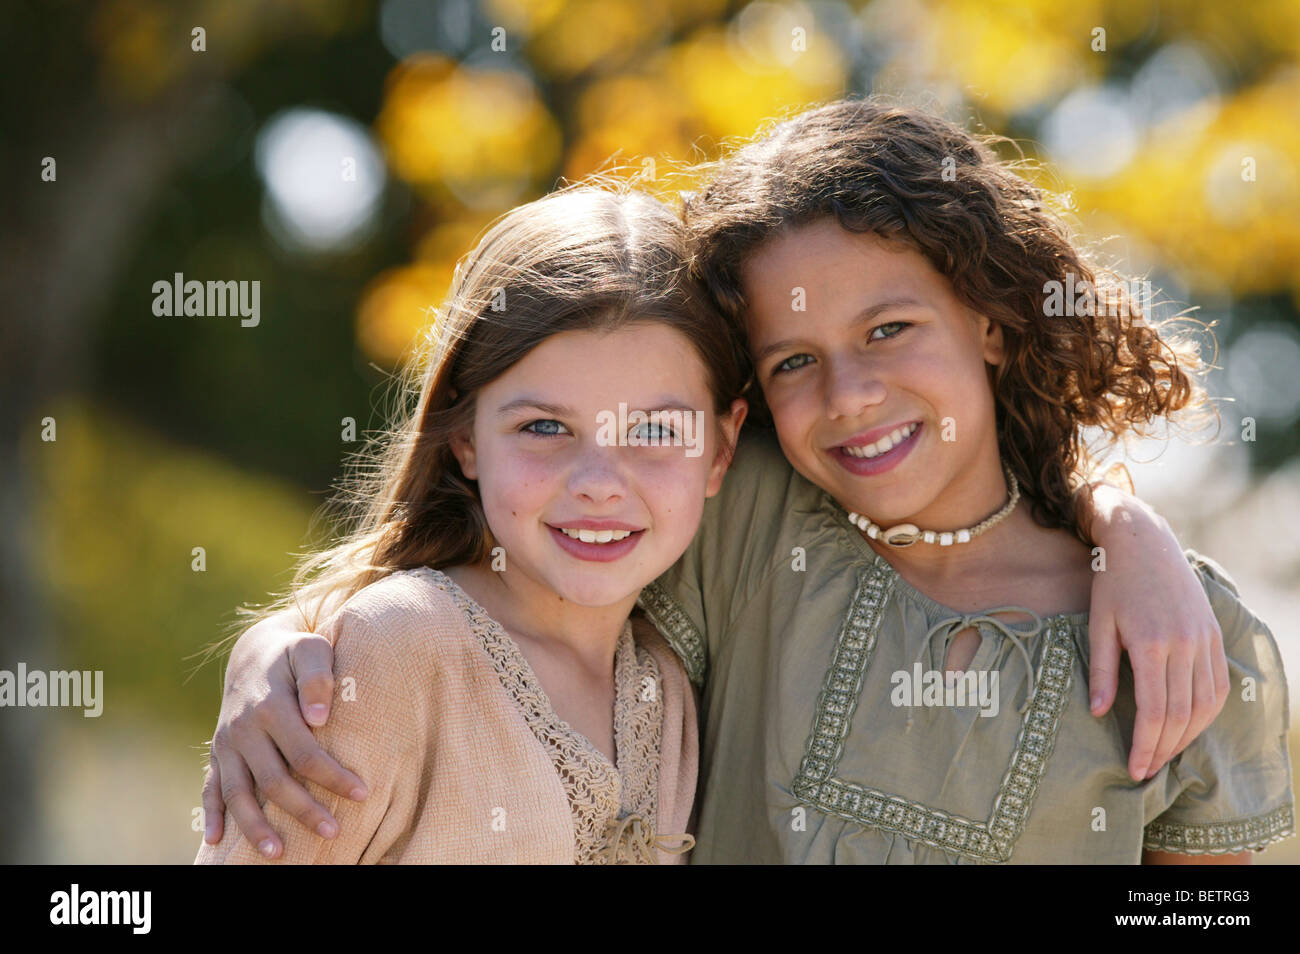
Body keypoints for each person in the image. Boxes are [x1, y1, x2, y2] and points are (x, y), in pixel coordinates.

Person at [201, 100, 1252, 864]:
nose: (849, 395)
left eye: (888, 329)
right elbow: (488, 579)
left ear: (989, 314)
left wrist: (1121, 527)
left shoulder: (1191, 642)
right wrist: (276, 648)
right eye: (793, 359)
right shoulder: (750, 528)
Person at [195, 185, 748, 863]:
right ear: (465, 440)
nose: (599, 484)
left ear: (721, 450)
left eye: (656, 430)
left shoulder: (667, 687)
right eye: (544, 426)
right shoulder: (393, 651)